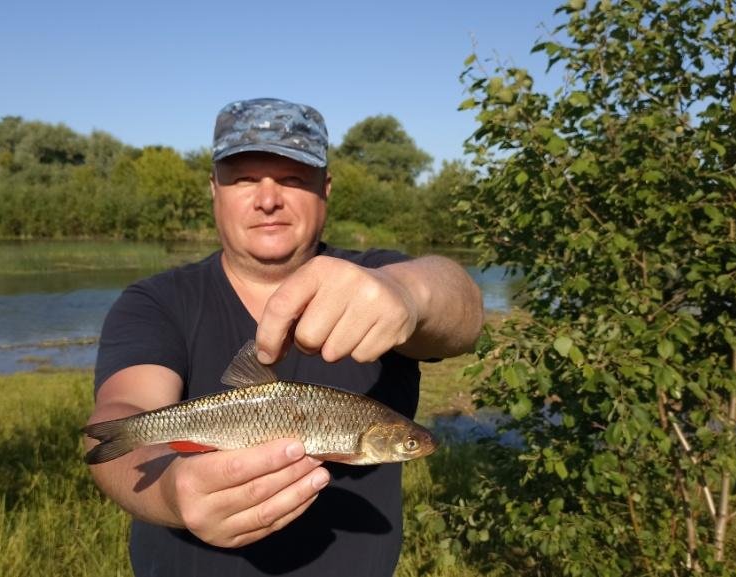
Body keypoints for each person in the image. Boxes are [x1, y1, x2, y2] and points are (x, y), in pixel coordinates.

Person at [86, 97, 484, 576]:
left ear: (326, 188)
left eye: (293, 178)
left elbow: (461, 306)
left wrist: (408, 293)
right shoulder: (156, 300)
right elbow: (121, 411)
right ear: (213, 188)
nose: (268, 199)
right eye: (244, 178)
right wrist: (172, 493)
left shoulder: (375, 275)